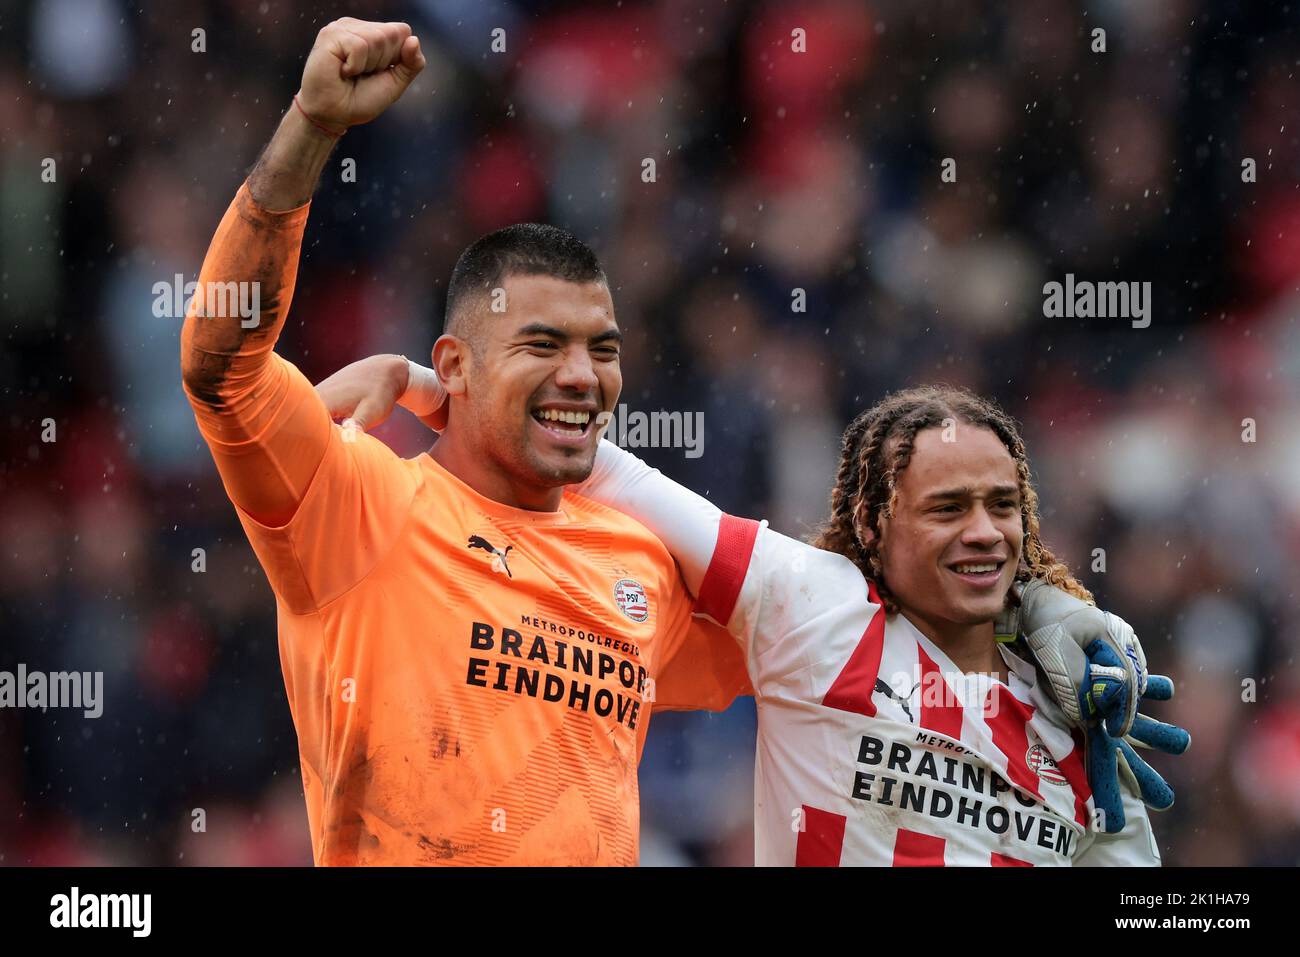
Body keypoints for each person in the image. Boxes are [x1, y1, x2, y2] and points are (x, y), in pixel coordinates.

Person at [180, 17, 749, 866]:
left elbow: (811, 626)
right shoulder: (358, 502)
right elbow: (222, 365)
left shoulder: (642, 563)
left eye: (604, 349)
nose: (583, 376)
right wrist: (310, 127)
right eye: (542, 345)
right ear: (456, 362)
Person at [321, 364, 1191, 865]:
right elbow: (606, 472)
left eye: (1003, 505)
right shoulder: (810, 605)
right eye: (946, 506)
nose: (984, 531)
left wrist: (1052, 601)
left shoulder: (1083, 704)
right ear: (871, 522)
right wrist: (429, 386)